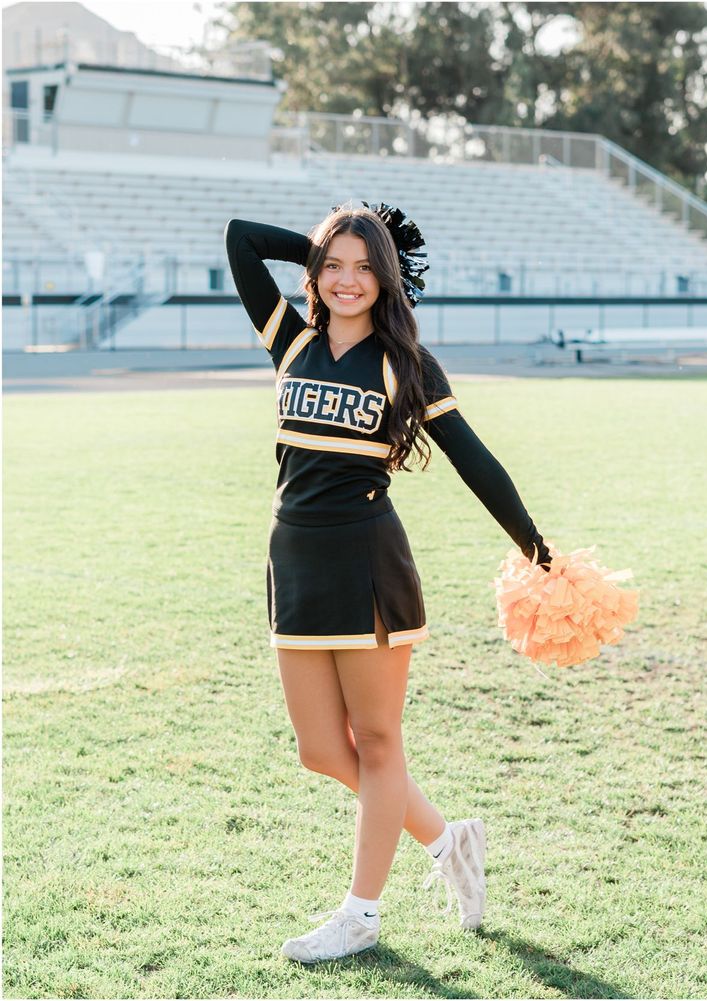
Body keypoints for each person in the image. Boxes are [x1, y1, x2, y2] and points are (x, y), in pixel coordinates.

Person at [225, 204, 550, 963]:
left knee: (376, 741)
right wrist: (325, 241)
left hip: (368, 563)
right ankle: (449, 840)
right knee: (318, 749)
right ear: (315, 274)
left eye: (364, 267)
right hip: (294, 563)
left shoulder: (406, 363)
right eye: (333, 266)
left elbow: (475, 460)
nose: (347, 280)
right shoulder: (290, 338)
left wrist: (534, 545)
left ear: (386, 279)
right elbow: (241, 238)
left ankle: (361, 914)